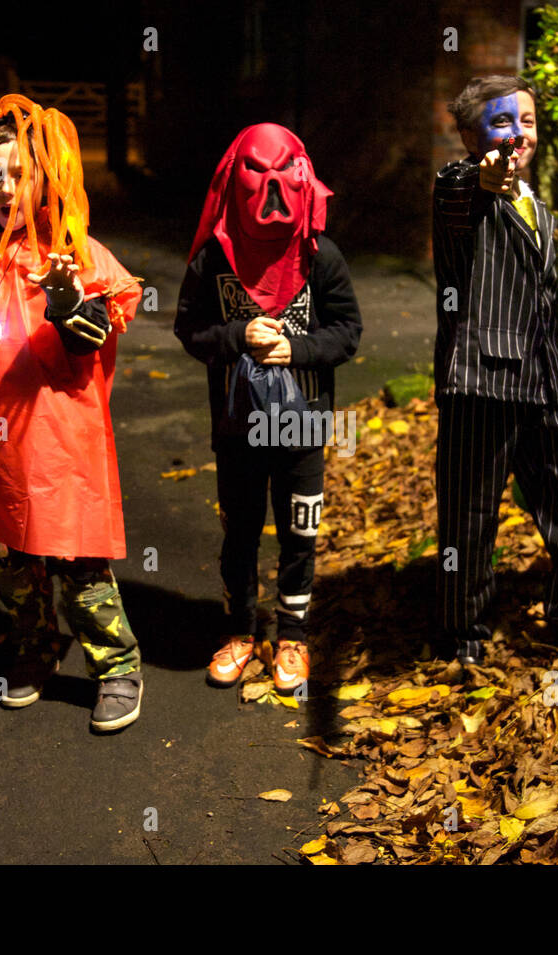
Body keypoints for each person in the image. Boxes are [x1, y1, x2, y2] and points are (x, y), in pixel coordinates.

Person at [0, 95, 145, 731]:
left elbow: (97, 333)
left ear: (43, 177)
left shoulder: (76, 251)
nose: (3, 186)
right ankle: (37, 644)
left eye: (18, 172)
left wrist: (71, 300)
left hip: (60, 436)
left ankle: (117, 666)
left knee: (78, 561)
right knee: (14, 560)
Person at [432, 75, 558, 665]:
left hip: (546, 376)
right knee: (470, 512)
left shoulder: (539, 207)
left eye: (528, 121)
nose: (518, 134)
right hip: (482, 378)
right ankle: (460, 632)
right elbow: (467, 185)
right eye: (501, 122)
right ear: (471, 136)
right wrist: (485, 172)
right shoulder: (459, 186)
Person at [175, 123, 362, 695]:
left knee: (299, 531)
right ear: (236, 180)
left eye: (285, 173)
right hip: (237, 427)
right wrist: (236, 336)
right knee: (240, 532)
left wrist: (297, 348)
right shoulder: (214, 259)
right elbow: (188, 328)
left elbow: (348, 331)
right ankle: (240, 632)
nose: (272, 187)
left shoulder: (319, 254)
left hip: (303, 424)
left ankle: (293, 637)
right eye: (258, 173)